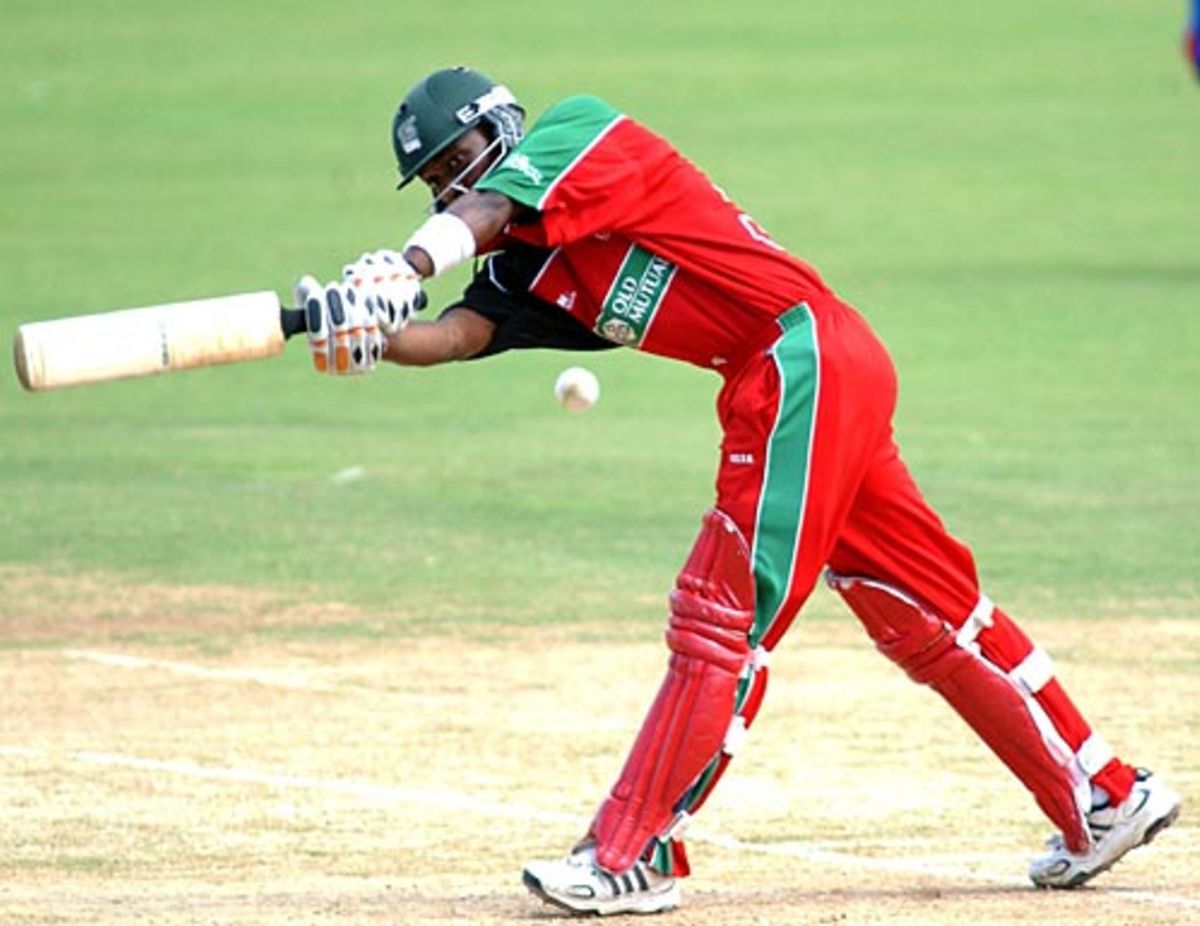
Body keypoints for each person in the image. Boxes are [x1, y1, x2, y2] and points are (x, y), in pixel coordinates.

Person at [297, 67, 1181, 916]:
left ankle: (632, 854)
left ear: (505, 129)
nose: (454, 186)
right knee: (922, 608)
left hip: (799, 356)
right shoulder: (520, 272)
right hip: (811, 372)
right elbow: (455, 336)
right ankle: (1104, 796)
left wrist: (406, 263)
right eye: (437, 179)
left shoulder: (580, 133)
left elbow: (490, 208)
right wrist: (368, 327)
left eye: (461, 159)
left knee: (719, 609)